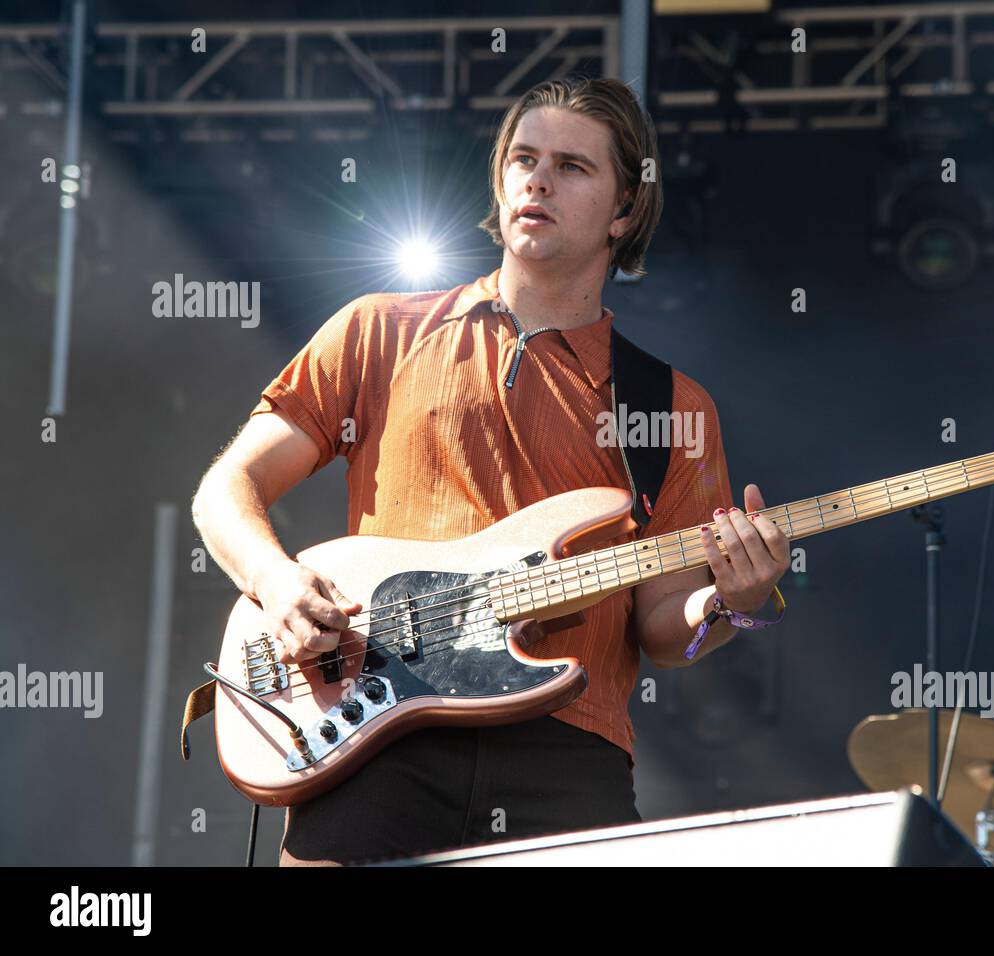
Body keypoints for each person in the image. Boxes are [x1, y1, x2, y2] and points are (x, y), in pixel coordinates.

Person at [190, 76, 790, 866]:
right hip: (379, 730)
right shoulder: (380, 331)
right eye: (522, 159)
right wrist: (275, 581)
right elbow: (226, 489)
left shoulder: (673, 406)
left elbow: (662, 624)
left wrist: (732, 603)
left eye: (573, 167)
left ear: (624, 210)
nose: (537, 179)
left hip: (567, 749)